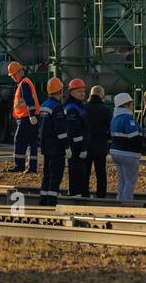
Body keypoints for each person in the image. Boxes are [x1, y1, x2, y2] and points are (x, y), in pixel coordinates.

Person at [38, 77, 70, 207]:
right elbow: (60, 130)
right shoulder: (57, 108)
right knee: (55, 176)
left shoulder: (44, 105)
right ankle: (51, 202)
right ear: (60, 91)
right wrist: (67, 146)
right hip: (56, 147)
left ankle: (43, 200)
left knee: (47, 175)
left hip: (46, 146)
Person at [109, 92, 143, 202]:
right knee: (130, 180)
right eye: (131, 104)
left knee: (122, 180)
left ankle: (120, 200)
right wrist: (143, 138)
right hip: (128, 153)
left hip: (115, 152)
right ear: (126, 104)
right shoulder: (128, 118)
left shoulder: (114, 118)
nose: (132, 106)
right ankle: (127, 203)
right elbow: (134, 137)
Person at [9, 61, 40, 174]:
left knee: (19, 140)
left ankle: (19, 165)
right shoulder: (25, 82)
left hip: (26, 117)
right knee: (32, 142)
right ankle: (32, 168)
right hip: (30, 116)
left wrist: (31, 114)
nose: (13, 77)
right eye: (11, 76)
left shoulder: (24, 83)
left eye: (14, 75)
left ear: (20, 72)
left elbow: (28, 100)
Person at [84, 85, 112, 199]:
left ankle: (84, 193)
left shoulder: (84, 108)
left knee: (85, 172)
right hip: (100, 144)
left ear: (90, 94)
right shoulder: (105, 109)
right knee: (100, 172)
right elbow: (110, 127)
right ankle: (101, 195)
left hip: (85, 145)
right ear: (101, 95)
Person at [63, 78, 89, 198]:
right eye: (79, 91)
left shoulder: (77, 105)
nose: (82, 93)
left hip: (78, 145)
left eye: (83, 91)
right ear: (72, 92)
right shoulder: (72, 108)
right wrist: (82, 148)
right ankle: (75, 194)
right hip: (76, 147)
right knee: (77, 171)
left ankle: (76, 193)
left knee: (78, 171)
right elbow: (74, 131)